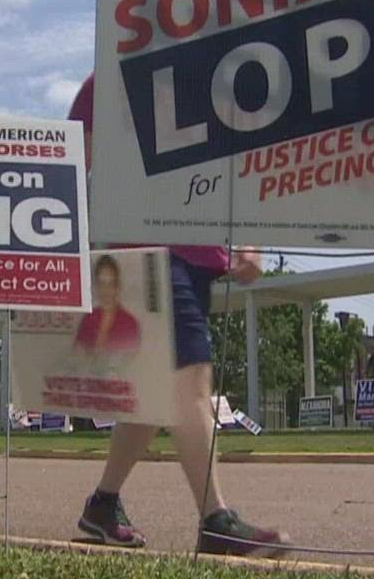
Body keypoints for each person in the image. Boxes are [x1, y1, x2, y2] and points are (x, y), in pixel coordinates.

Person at [68, 74, 290, 557]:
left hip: (200, 255)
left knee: (153, 397)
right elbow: (71, 173)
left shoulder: (218, 76)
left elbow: (239, 164)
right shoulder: (107, 81)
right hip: (145, 253)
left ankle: (102, 504)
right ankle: (216, 520)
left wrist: (249, 241)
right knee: (191, 381)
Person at [74, 253, 140, 354]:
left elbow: (130, 360)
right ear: (95, 286)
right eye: (102, 284)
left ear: (118, 286)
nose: (106, 290)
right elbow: (77, 354)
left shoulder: (130, 323)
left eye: (110, 284)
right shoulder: (88, 319)